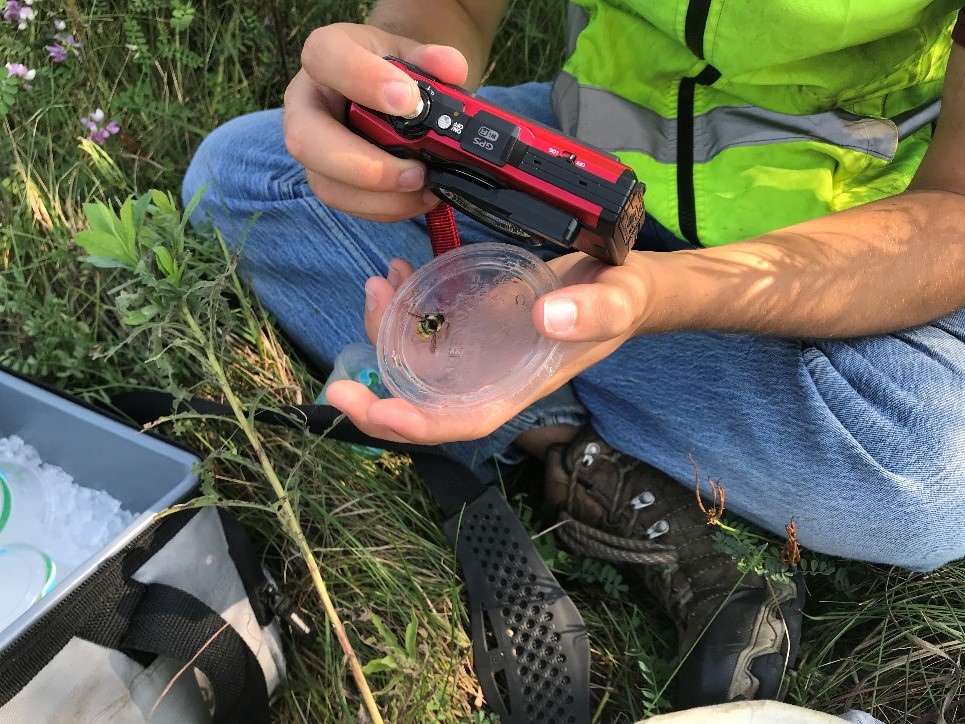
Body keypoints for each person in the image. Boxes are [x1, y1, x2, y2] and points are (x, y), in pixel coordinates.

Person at [183, 0, 965, 709]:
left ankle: (529, 397)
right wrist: (401, 96)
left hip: (848, 258)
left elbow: (952, 216)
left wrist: (660, 295)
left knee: (935, 474)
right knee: (244, 178)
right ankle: (598, 462)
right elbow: (449, 10)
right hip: (561, 179)